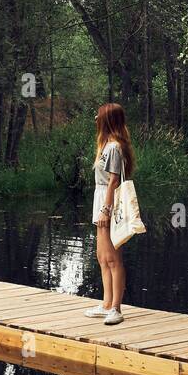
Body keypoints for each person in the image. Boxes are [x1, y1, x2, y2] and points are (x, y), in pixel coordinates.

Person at [85, 101, 134, 325]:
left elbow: (114, 180)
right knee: (102, 257)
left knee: (113, 258)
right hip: (101, 198)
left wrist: (106, 209)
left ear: (108, 119)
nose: (96, 119)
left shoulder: (114, 147)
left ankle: (116, 308)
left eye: (99, 115)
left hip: (109, 201)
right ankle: (106, 304)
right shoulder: (106, 145)